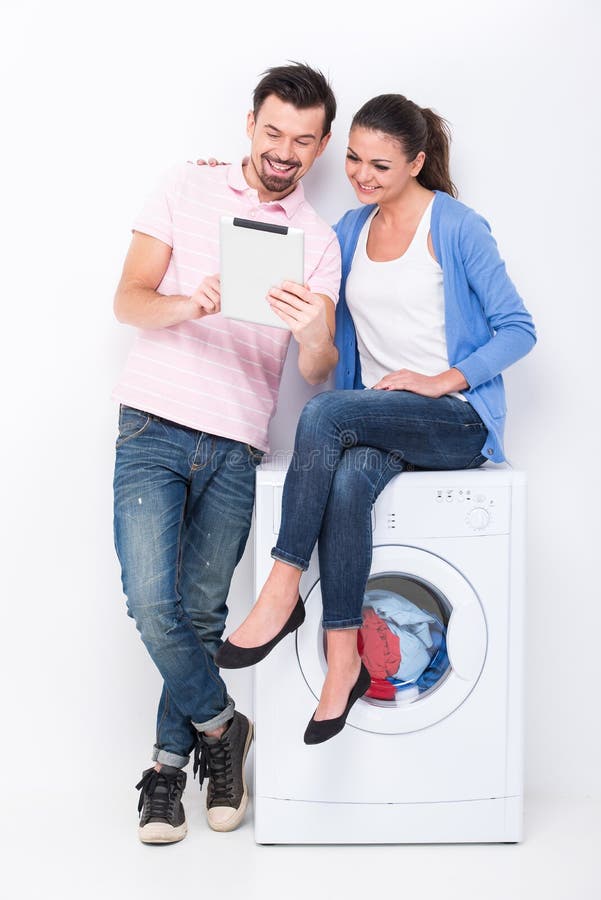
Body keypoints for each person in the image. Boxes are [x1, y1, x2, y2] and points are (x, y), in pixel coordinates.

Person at [215, 93, 537, 745]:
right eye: (354, 159)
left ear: (416, 162)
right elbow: (294, 270)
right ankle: (344, 662)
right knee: (345, 483)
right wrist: (221, 179)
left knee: (326, 412)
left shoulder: (456, 227)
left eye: (380, 166)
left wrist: (441, 379)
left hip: (453, 420)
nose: (362, 176)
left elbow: (517, 328)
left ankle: (281, 590)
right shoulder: (349, 231)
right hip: (380, 417)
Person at [112, 63, 341, 843]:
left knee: (202, 614)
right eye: (273, 132)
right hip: (153, 424)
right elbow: (128, 299)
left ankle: (165, 773)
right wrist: (190, 302)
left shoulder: (317, 242)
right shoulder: (186, 184)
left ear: (319, 146)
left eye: (302, 140)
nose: (283, 151)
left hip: (238, 440)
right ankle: (223, 725)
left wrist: (314, 333)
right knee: (152, 603)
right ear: (250, 124)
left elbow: (318, 370)